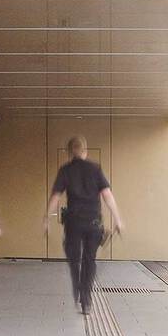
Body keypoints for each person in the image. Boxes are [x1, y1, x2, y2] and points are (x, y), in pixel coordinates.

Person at [46, 133, 123, 314]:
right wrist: (117, 218)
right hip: (93, 222)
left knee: (74, 258)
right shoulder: (95, 169)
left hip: (73, 222)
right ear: (85, 151)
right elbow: (107, 195)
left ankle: (78, 286)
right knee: (90, 259)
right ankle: (86, 297)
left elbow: (56, 196)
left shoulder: (65, 170)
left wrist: (46, 218)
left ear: (69, 152)